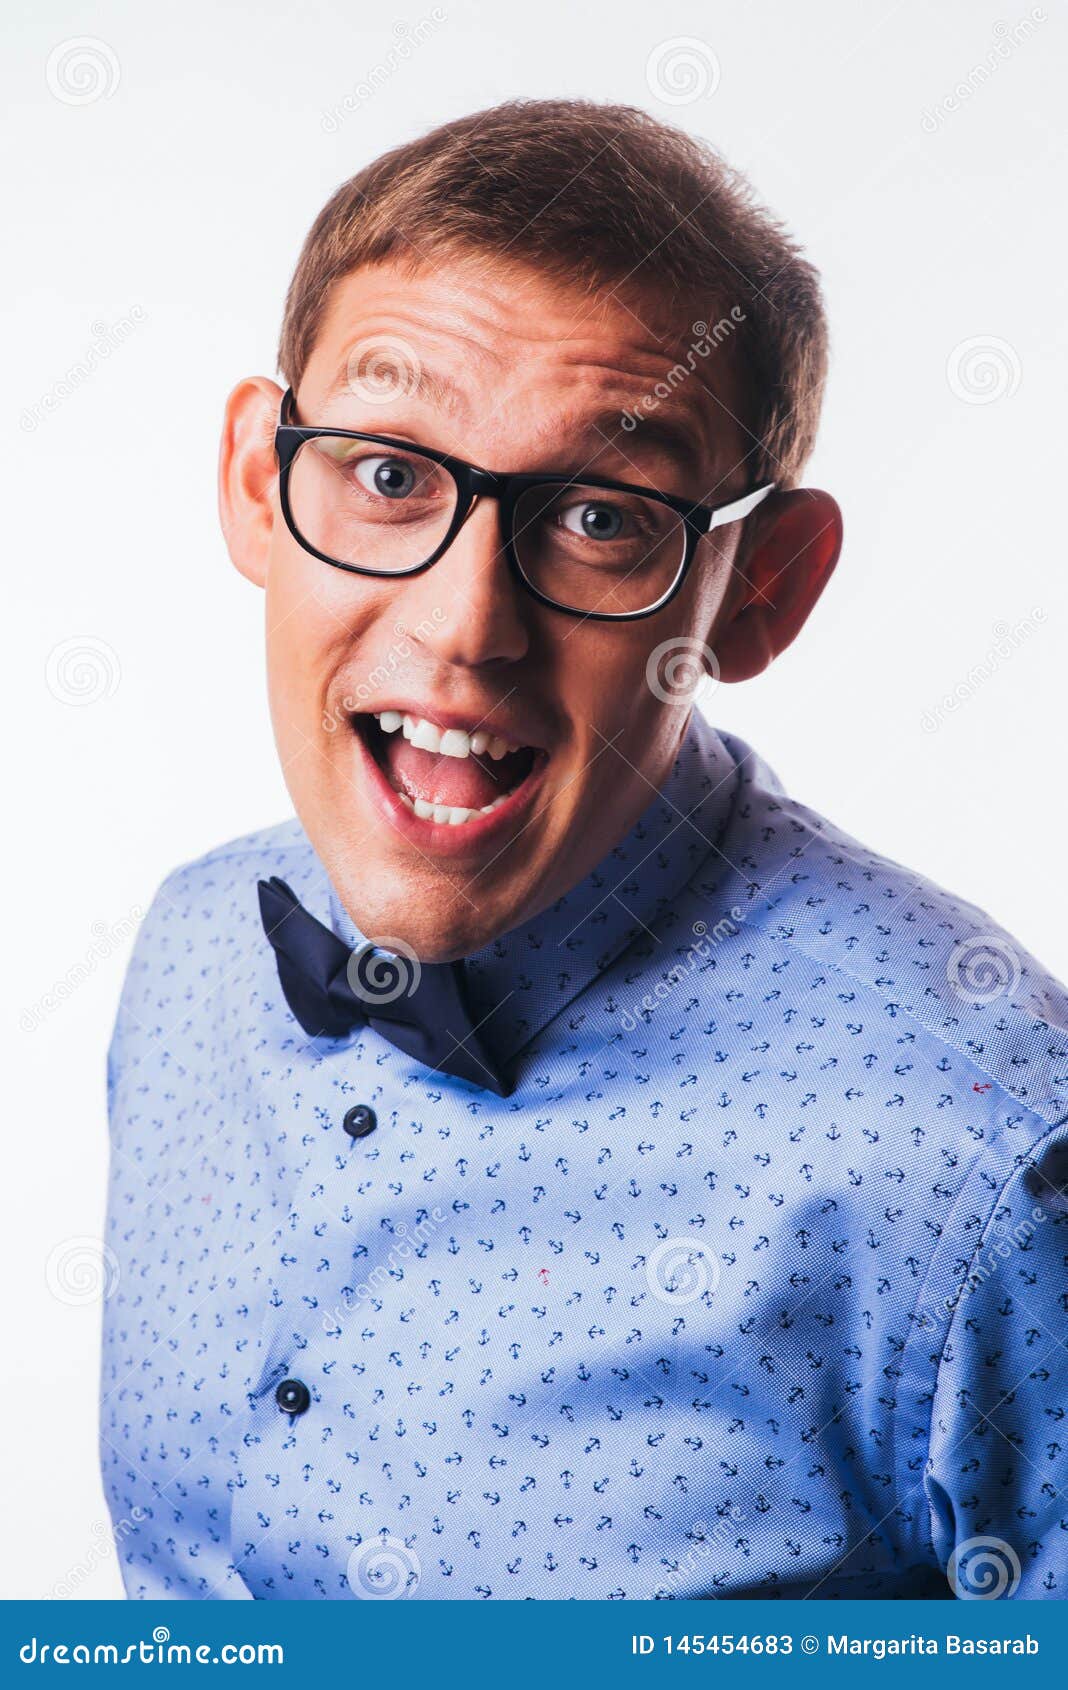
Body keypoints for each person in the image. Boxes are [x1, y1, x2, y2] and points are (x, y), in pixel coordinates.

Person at [102, 99, 1068, 1602]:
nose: (463, 624)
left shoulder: (984, 1156)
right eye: (388, 473)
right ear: (254, 483)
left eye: (601, 516)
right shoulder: (189, 953)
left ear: (763, 591)